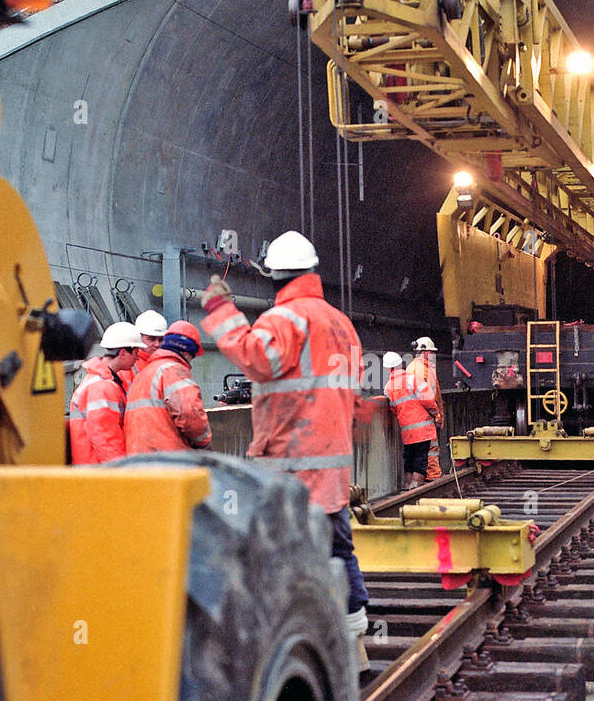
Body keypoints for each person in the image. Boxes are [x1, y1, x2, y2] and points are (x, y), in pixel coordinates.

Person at [198, 230, 371, 666]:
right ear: (312, 271)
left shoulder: (283, 320)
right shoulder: (342, 323)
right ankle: (352, 645)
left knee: (277, 558)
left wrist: (222, 311)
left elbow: (256, 359)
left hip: (289, 466)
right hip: (332, 466)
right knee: (336, 550)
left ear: (273, 276)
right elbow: (351, 395)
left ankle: (287, 648)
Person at [125, 319, 212, 454]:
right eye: (192, 356)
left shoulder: (145, 372)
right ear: (186, 352)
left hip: (139, 458)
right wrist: (204, 442)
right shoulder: (174, 371)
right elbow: (190, 415)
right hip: (167, 460)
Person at [69, 321, 140, 464]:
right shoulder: (102, 388)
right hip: (98, 470)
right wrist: (121, 469)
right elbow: (104, 437)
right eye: (136, 353)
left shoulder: (102, 381)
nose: (137, 358)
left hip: (94, 467)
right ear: (123, 353)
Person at [385, 351, 439, 490]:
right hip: (422, 428)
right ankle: (416, 486)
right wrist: (435, 413)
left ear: (387, 368)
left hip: (406, 430)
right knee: (421, 458)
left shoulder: (388, 387)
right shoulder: (413, 379)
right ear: (401, 365)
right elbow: (428, 400)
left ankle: (408, 484)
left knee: (409, 458)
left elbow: (393, 408)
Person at [407, 336, 445, 481]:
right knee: (430, 449)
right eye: (431, 352)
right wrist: (437, 414)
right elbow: (427, 396)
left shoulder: (419, 368)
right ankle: (433, 478)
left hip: (418, 416)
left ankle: (428, 478)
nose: (433, 355)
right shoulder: (421, 370)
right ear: (423, 352)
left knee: (420, 451)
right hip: (425, 416)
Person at [131, 309, 167, 381]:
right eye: (152, 339)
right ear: (139, 337)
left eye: (160, 340)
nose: (157, 344)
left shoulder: (165, 363)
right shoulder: (129, 364)